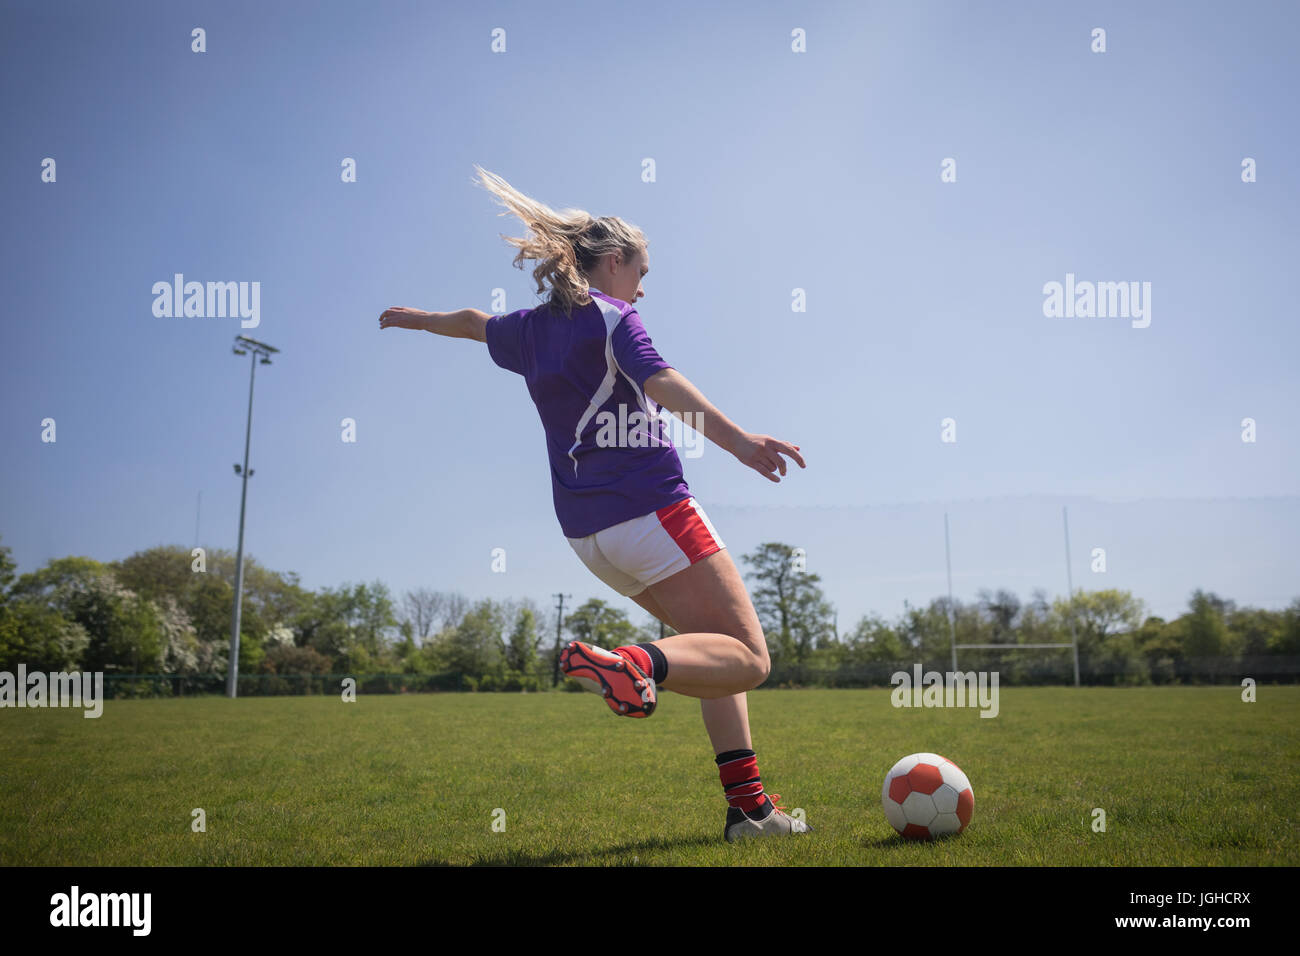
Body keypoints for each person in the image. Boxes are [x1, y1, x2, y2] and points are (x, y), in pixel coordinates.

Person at [378, 166, 811, 842]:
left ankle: (748, 812)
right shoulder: (613, 318)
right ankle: (635, 666)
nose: (643, 285)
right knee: (750, 656)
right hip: (653, 511)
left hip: (588, 539)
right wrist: (738, 442)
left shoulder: (529, 329)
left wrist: (417, 321)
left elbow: (472, 322)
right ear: (613, 263)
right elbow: (663, 383)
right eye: (641, 269)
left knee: (710, 653)